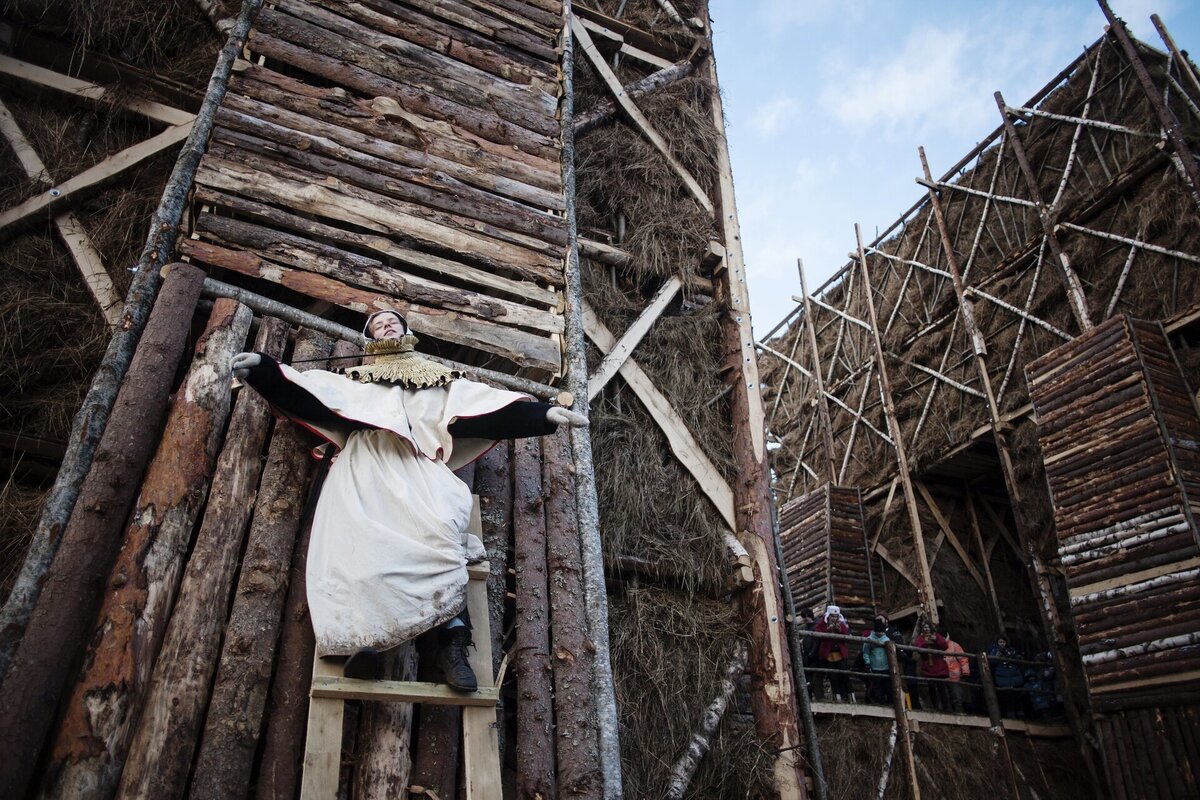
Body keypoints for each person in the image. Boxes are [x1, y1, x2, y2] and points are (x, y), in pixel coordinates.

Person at [233, 310, 585, 691]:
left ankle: (453, 646)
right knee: (360, 547)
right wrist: (265, 371)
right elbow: (308, 394)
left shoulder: (437, 381)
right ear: (368, 339)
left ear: (406, 330)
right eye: (376, 324)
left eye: (391, 321)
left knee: (439, 538)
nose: (385, 326)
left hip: (418, 464)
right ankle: (363, 642)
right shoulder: (353, 381)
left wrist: (544, 414)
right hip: (364, 465)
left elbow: (484, 409)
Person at [813, 605, 851, 701]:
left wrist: (840, 630)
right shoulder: (822, 624)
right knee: (832, 676)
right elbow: (817, 634)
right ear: (828, 616)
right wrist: (828, 629)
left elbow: (847, 635)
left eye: (836, 616)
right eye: (832, 616)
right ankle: (837, 696)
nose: (834, 618)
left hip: (840, 654)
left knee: (844, 675)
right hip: (828, 654)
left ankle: (848, 695)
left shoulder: (841, 624)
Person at [912, 621, 950, 712]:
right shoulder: (921, 638)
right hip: (928, 666)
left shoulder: (937, 636)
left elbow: (944, 646)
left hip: (939, 666)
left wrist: (935, 639)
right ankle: (935, 707)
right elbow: (919, 648)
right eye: (924, 627)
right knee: (931, 688)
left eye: (928, 627)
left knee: (942, 689)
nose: (926, 629)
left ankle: (947, 708)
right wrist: (926, 643)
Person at [987, 636, 1025, 718]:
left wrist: (1012, 657)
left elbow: (1019, 660)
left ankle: (1021, 715)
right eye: (1000, 642)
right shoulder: (994, 651)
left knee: (1018, 696)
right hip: (1002, 676)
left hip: (1014, 675)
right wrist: (997, 656)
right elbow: (991, 663)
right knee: (1008, 697)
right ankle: (1010, 715)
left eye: (1003, 642)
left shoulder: (1012, 651)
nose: (1002, 644)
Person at [861, 616, 893, 704]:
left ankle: (890, 702)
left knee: (888, 687)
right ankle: (880, 702)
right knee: (877, 687)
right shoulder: (870, 639)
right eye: (877, 631)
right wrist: (867, 663)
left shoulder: (887, 640)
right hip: (875, 667)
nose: (879, 633)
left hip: (886, 667)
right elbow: (865, 652)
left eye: (881, 631)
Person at [942, 627, 971, 714]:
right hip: (942, 675)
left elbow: (963, 658)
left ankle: (959, 711)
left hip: (955, 676)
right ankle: (949, 713)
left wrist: (965, 671)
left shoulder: (954, 645)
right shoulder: (936, 645)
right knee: (945, 696)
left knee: (957, 696)